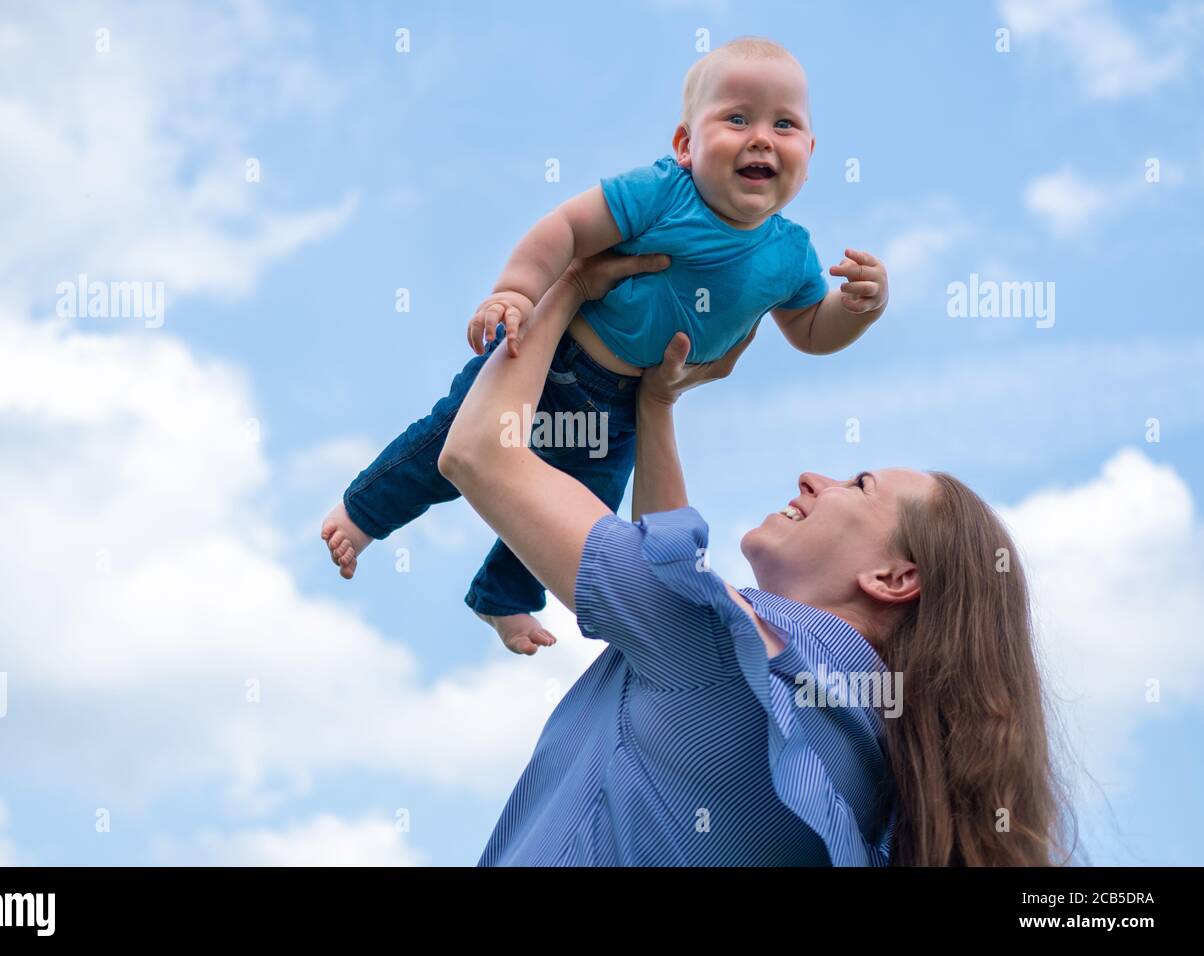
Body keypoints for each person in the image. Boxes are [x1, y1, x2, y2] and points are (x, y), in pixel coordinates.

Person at [436, 250, 1077, 866]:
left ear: (893, 578)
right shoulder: (873, 768)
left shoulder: (720, 646)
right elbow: (676, 598)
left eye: (858, 486)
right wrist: (656, 406)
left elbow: (479, 453)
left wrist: (567, 285)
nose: (811, 479)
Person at [321, 36, 890, 653]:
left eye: (785, 124)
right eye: (736, 118)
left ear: (809, 151)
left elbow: (810, 331)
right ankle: (363, 514)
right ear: (684, 146)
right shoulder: (664, 191)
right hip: (552, 357)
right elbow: (565, 228)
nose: (761, 137)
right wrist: (516, 292)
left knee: (583, 505)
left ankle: (502, 596)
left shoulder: (792, 254)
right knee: (449, 442)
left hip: (621, 405)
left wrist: (858, 309)